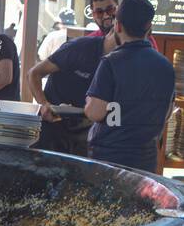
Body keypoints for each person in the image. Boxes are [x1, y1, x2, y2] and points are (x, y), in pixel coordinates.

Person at [83, 0, 175, 172]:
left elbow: (95, 112)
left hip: (109, 159)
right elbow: (166, 113)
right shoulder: (166, 66)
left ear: (117, 25)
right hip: (146, 159)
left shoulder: (110, 63)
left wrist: (94, 105)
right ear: (149, 27)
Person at [26, 29, 119, 157]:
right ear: (117, 28)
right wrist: (43, 104)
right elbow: (34, 73)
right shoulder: (80, 48)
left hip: (85, 130)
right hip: (53, 122)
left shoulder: (122, 62)